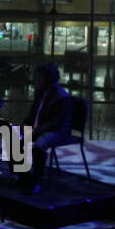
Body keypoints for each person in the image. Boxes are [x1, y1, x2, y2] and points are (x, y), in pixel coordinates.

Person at [21, 62, 73, 193]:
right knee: (13, 139)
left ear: (48, 79)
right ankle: (22, 175)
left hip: (58, 131)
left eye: (40, 78)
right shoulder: (40, 92)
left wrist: (35, 131)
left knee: (39, 146)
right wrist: (23, 127)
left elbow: (56, 122)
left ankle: (36, 181)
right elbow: (32, 114)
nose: (37, 80)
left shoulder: (61, 96)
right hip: (41, 128)